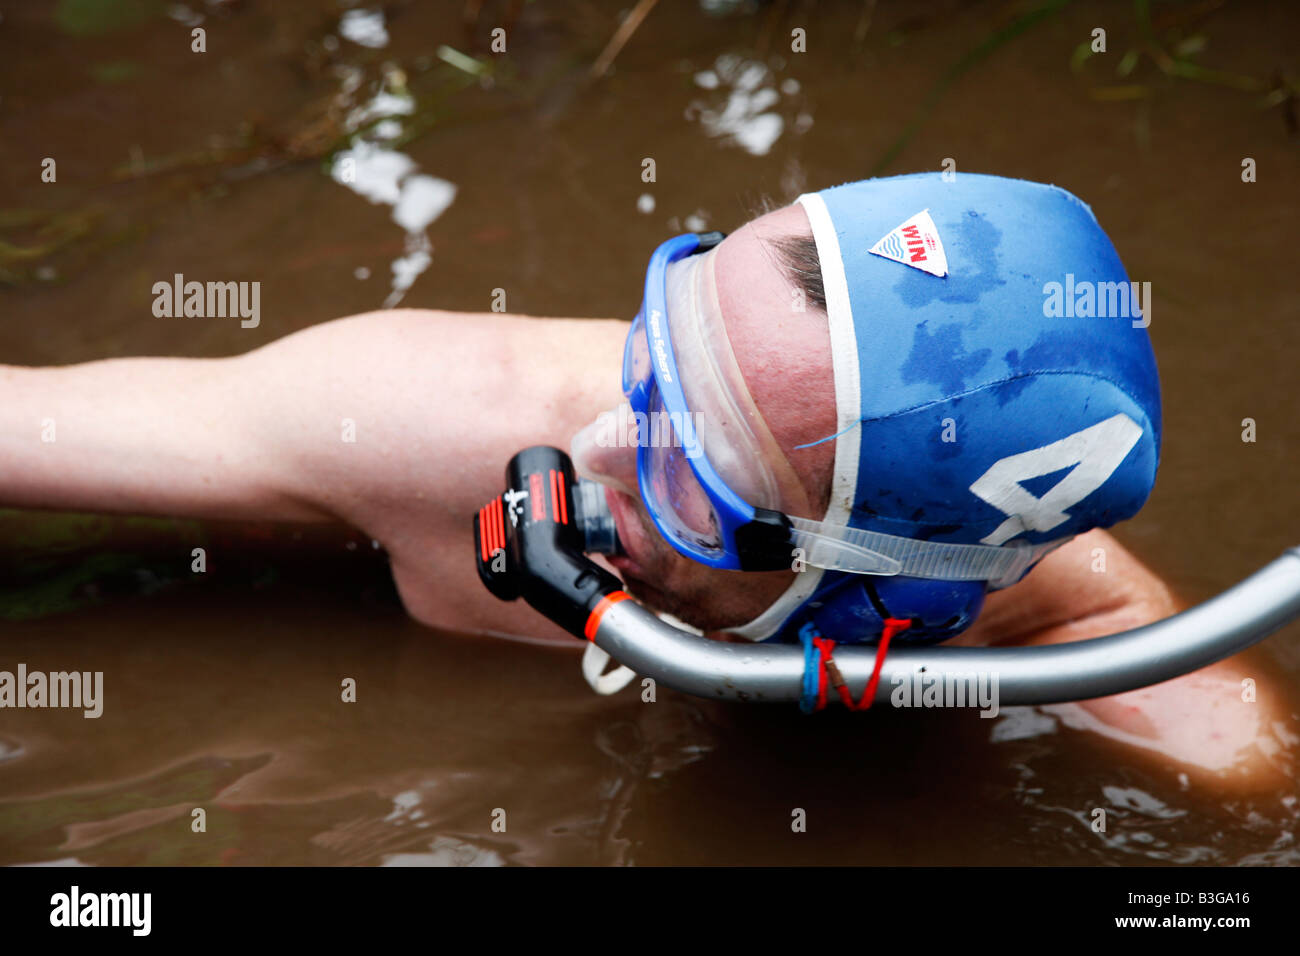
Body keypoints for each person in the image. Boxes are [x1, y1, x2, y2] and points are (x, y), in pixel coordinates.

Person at [0, 173, 1280, 779]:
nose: (603, 440)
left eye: (694, 463)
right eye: (654, 358)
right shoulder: (414, 416)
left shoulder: (1051, 605)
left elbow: (1227, 776)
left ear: (858, 586)